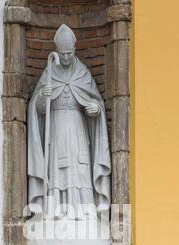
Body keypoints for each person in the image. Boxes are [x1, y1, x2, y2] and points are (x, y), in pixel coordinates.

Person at [28, 24, 111, 219]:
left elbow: (94, 101)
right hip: (56, 127)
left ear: (75, 50)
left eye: (69, 53)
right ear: (57, 51)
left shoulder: (82, 72)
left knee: (79, 168)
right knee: (57, 168)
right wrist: (42, 98)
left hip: (77, 127)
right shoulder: (49, 72)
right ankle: (56, 211)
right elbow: (37, 110)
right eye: (62, 54)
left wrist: (95, 110)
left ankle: (84, 211)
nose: (65, 57)